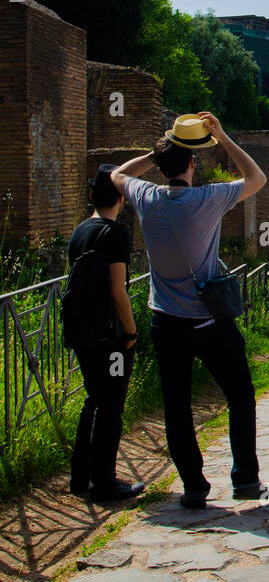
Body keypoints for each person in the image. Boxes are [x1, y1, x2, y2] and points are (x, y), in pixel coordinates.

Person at [111, 113, 268, 510]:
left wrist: (164, 148)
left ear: (163, 166)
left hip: (166, 320)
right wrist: (221, 135)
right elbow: (257, 178)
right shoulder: (208, 199)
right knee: (240, 395)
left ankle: (194, 486)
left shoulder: (147, 197)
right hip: (211, 320)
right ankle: (246, 479)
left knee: (176, 402)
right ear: (194, 162)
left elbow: (116, 175)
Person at [65, 165, 145, 503]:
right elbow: (117, 291)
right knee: (111, 404)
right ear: (122, 197)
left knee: (94, 399)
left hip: (81, 332)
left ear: (91, 196)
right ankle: (105, 482)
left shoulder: (80, 231)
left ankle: (81, 477)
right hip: (109, 337)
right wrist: (130, 331)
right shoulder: (116, 234)